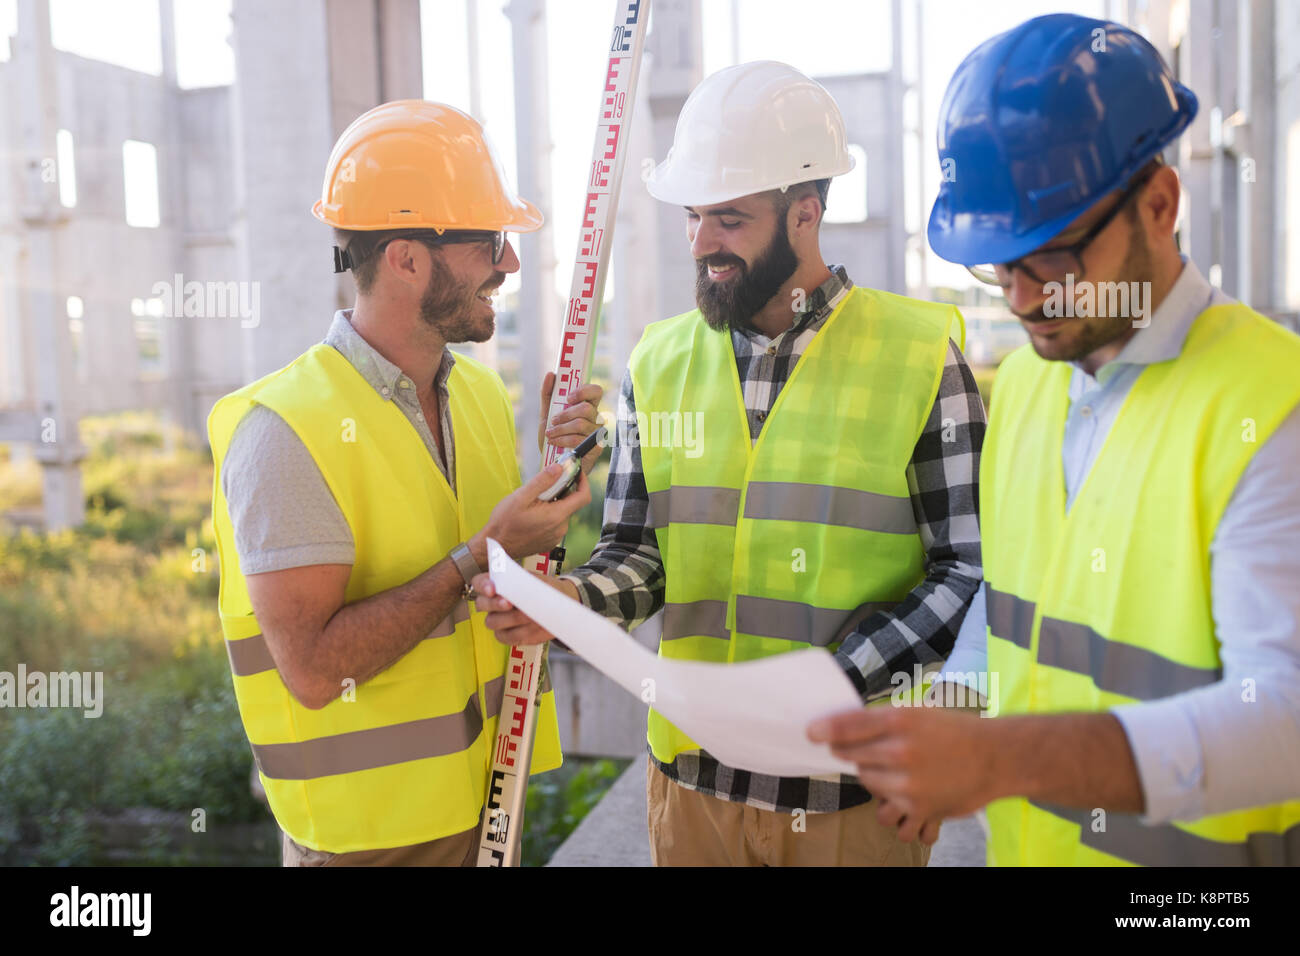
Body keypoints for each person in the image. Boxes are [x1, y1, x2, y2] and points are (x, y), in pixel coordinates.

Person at [810, 13, 1300, 865]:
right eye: (1000, 266)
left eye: (1052, 259)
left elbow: (1285, 714)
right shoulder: (1034, 382)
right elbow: (1009, 608)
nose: (1025, 299)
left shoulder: (1269, 408)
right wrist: (957, 711)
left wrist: (1001, 759)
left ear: (1159, 204)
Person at [474, 62, 985, 866]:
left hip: (847, 793)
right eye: (692, 217)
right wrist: (568, 601)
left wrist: (832, 683)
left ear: (806, 214)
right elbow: (638, 556)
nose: (702, 243)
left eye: (730, 220)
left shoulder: (922, 356)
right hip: (693, 790)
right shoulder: (661, 358)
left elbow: (968, 570)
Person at [207, 100, 604, 866]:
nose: (510, 265)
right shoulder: (283, 432)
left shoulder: (481, 398)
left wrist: (565, 468)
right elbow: (317, 671)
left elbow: (503, 579)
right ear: (408, 258)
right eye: (491, 241)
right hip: (369, 843)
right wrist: (480, 553)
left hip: (489, 808)